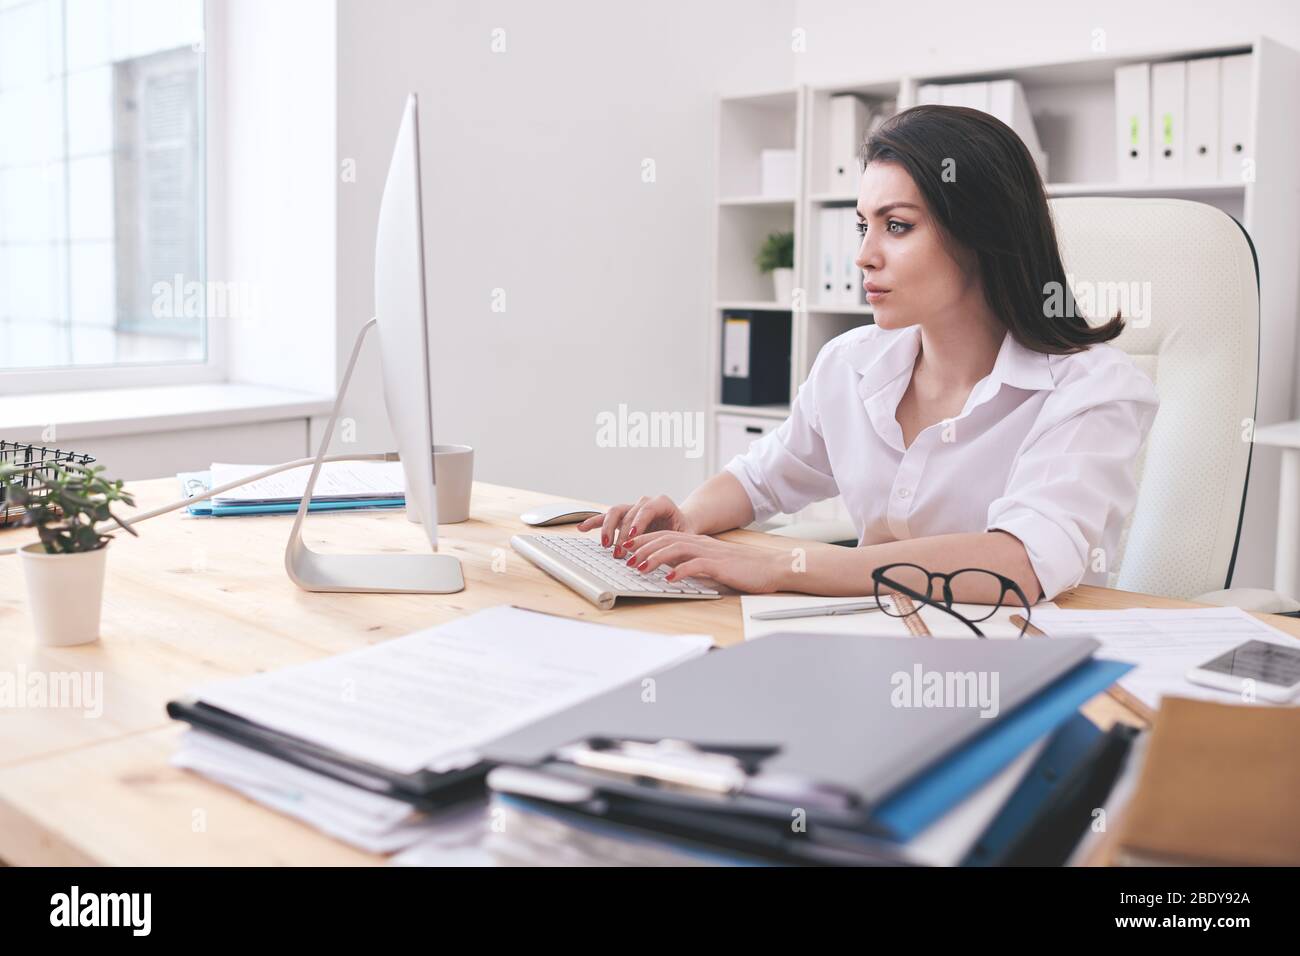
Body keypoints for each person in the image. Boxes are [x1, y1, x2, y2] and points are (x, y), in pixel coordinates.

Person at [578, 105, 1159, 605]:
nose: (864, 256)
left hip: (1022, 665)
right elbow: (761, 480)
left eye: (897, 226)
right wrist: (688, 516)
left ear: (983, 234)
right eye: (863, 226)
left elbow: (1022, 563)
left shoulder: (1092, 389)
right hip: (870, 642)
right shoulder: (850, 363)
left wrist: (786, 568)